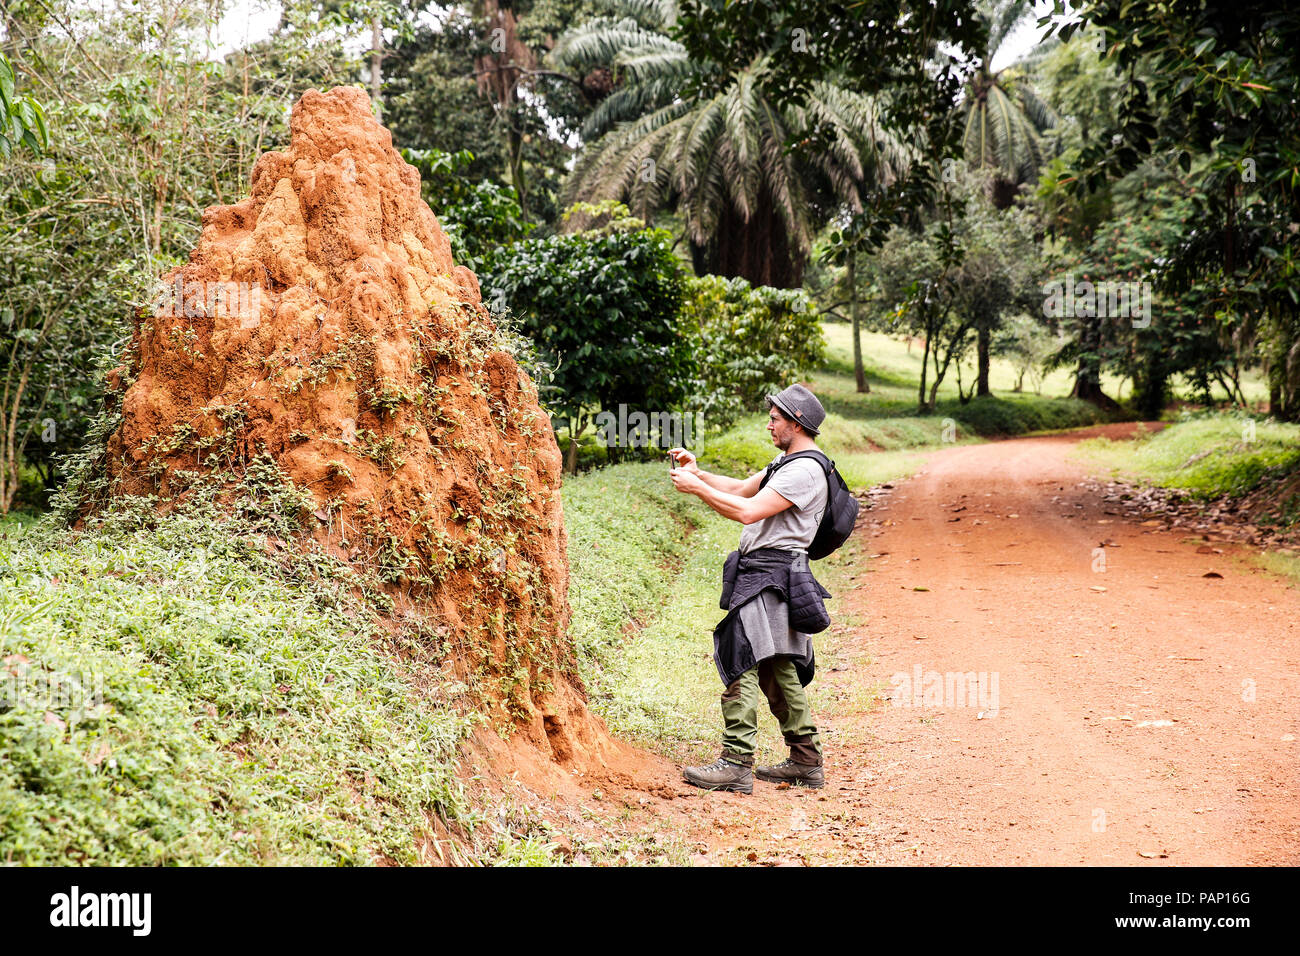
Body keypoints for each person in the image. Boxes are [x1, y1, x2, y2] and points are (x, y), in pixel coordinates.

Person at [668, 383, 832, 794]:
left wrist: (696, 489)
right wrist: (698, 472)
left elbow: (746, 511)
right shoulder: (787, 460)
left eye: (774, 419)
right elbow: (742, 488)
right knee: (778, 666)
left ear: (795, 423)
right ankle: (805, 762)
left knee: (741, 656)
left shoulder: (804, 470)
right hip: (772, 574)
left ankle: (737, 762)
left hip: (771, 576)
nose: (768, 425)